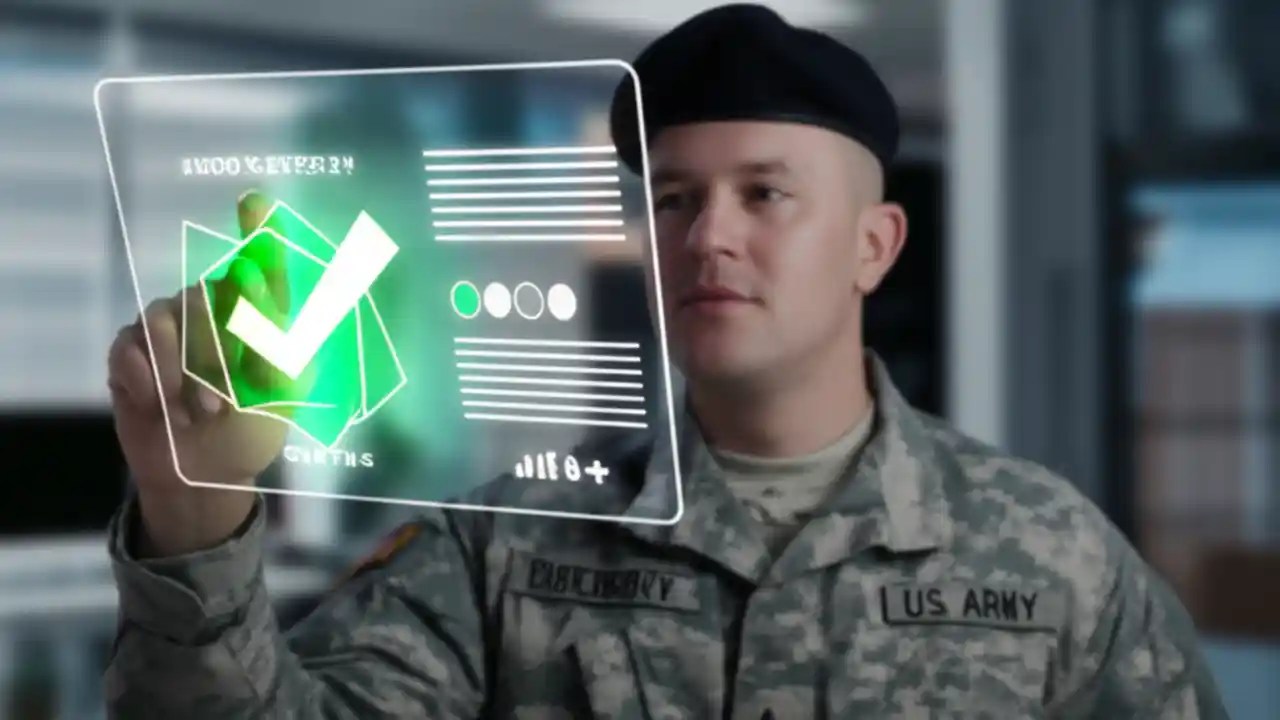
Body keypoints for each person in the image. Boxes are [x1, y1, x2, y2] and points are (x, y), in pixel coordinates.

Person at [102, 4, 1228, 718]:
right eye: (673, 201)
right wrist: (191, 519)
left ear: (872, 246)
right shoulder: (504, 551)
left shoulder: (1048, 554)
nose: (707, 237)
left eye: (763, 194)